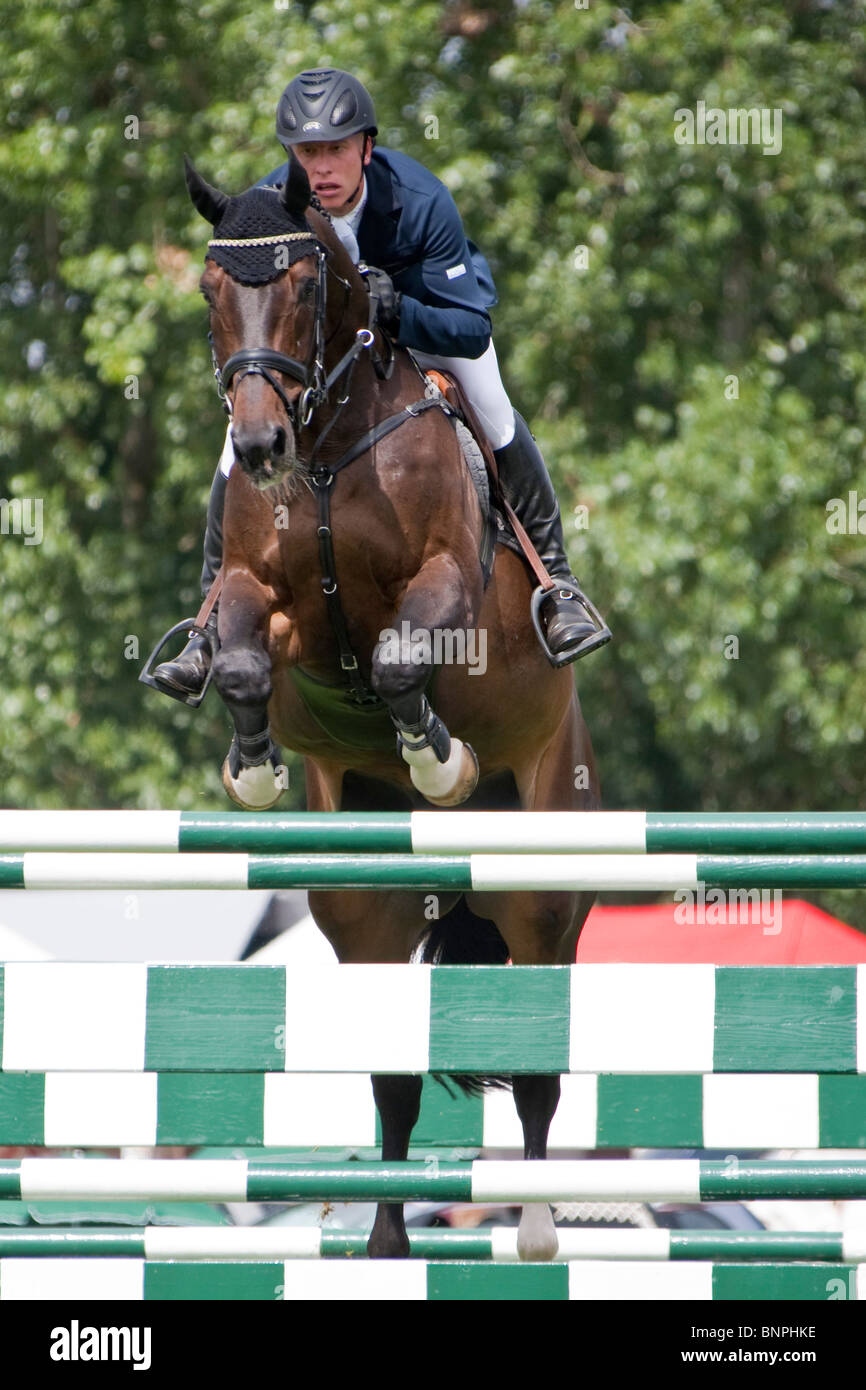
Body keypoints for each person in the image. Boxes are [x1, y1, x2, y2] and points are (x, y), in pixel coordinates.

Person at [154, 68, 610, 699]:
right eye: (307, 152)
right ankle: (205, 626)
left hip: (425, 330)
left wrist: (397, 311)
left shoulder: (419, 200)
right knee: (238, 442)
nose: (321, 168)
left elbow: (470, 328)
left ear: (366, 147)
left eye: (336, 149)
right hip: (323, 361)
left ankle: (557, 586)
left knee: (494, 408)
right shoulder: (269, 210)